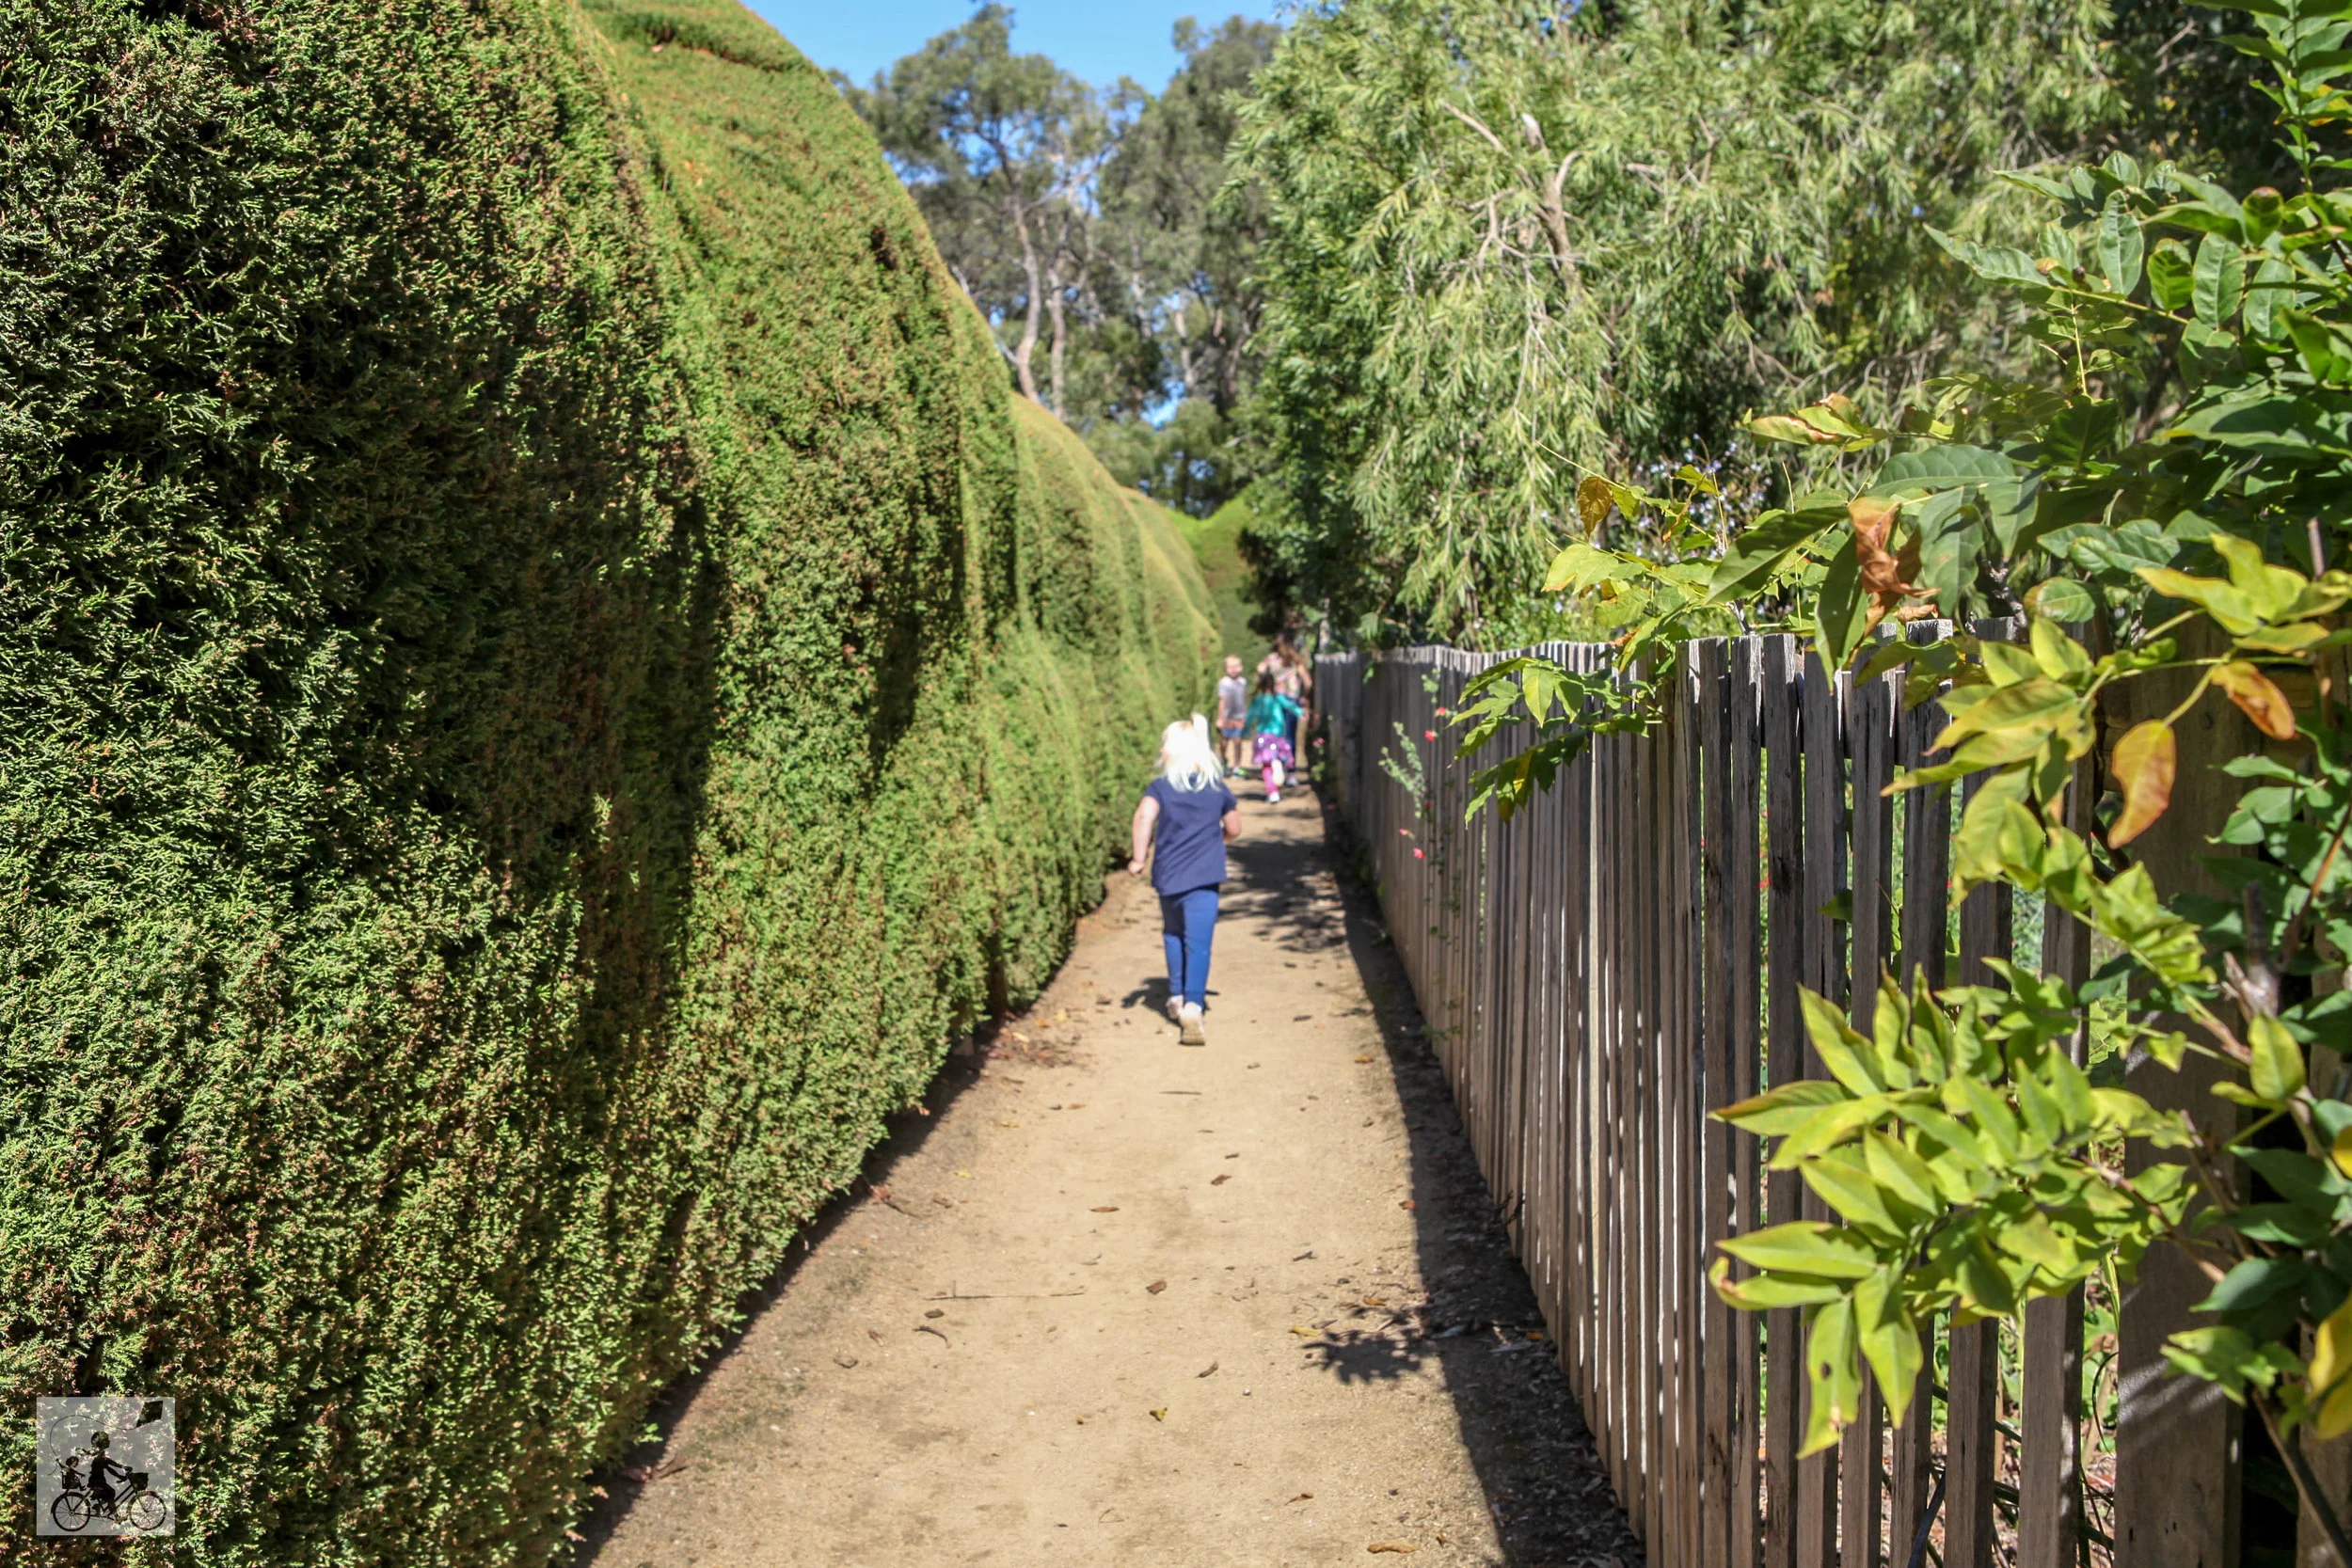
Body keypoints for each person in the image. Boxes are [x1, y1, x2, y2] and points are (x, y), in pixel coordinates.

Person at [1128, 715, 1240, 1046]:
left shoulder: (1160, 788)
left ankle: (1175, 996)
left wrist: (1138, 858)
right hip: (1204, 878)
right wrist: (1214, 838)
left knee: (1173, 934)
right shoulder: (1217, 787)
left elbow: (1143, 817)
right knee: (1199, 943)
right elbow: (1234, 828)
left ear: (1173, 751)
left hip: (1168, 876)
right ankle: (1194, 1003)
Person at [1246, 672, 1297, 802]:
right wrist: (1301, 712)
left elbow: (1251, 716)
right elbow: (1291, 706)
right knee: (1277, 759)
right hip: (1278, 736)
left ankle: (1272, 791)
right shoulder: (1278, 698)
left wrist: (1245, 730)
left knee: (1266, 766)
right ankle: (1278, 767)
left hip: (1263, 737)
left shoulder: (1258, 700)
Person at [1215, 656, 1249, 776]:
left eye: (1236, 667)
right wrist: (1220, 718)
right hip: (1226, 717)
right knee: (1224, 741)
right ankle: (1223, 760)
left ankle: (1237, 766)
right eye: (1230, 667)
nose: (1233, 670)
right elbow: (1222, 701)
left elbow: (1244, 699)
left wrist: (1246, 716)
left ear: (1240, 668)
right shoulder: (1223, 683)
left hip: (1239, 716)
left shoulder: (1243, 682)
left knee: (1238, 741)